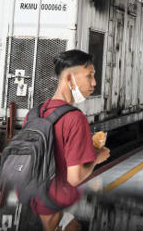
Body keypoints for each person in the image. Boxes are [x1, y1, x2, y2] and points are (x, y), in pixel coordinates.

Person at [32, 50, 110, 231]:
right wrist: (97, 157)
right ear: (69, 78)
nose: (94, 83)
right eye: (89, 76)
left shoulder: (36, 112)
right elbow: (73, 178)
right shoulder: (75, 118)